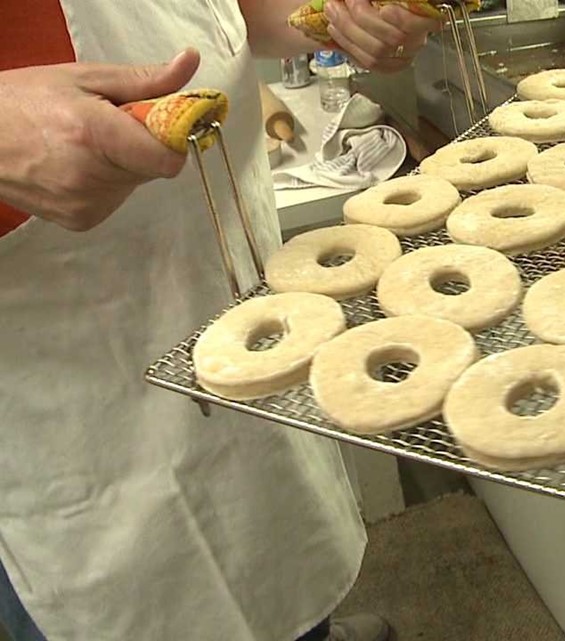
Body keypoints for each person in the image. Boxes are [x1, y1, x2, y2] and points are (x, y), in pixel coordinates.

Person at [0, 1, 438, 639]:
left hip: (228, 259)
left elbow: (219, 13)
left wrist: (334, 14)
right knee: (148, 585)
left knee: (270, 524)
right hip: (68, 358)